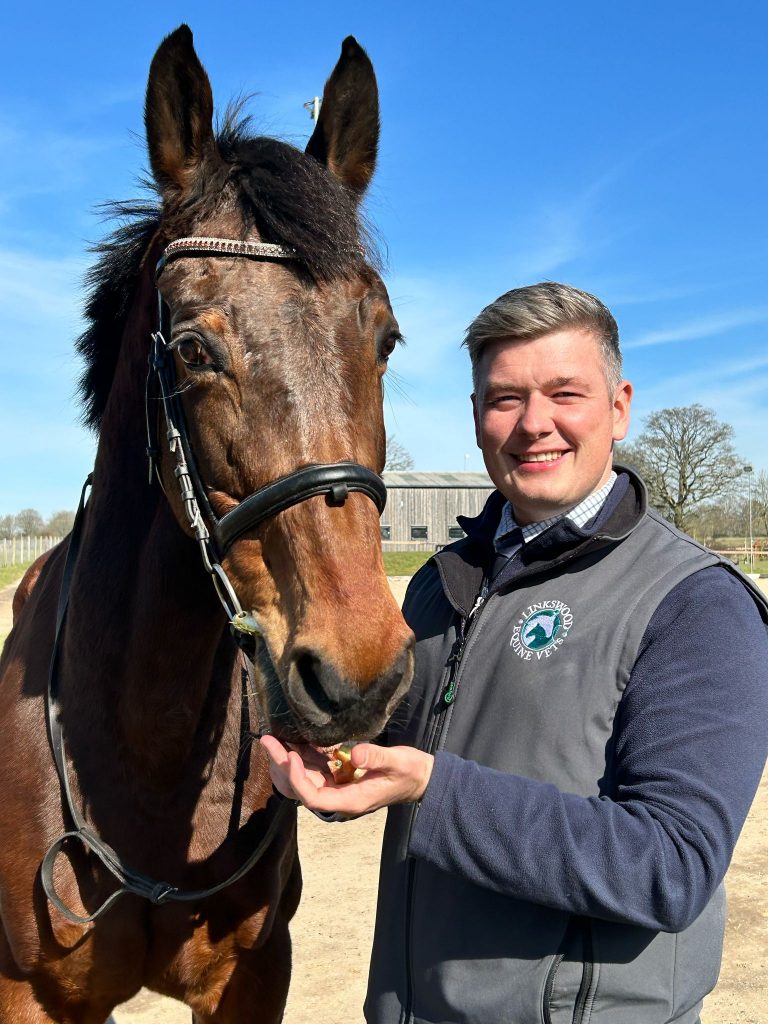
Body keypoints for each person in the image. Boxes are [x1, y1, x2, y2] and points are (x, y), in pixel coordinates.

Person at [262, 282, 768, 1024]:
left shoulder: (697, 603)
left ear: (619, 406)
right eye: (505, 399)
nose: (535, 425)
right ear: (474, 419)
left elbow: (671, 866)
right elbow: (397, 757)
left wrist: (433, 790)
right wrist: (331, 768)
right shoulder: (442, 583)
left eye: (565, 393)